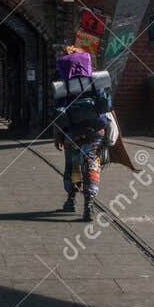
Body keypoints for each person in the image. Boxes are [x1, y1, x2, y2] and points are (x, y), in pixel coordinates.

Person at [50, 46, 110, 221]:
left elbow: (58, 111)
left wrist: (57, 134)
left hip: (72, 131)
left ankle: (71, 200)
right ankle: (89, 203)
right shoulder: (95, 78)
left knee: (73, 165)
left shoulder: (62, 83)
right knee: (92, 164)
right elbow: (104, 104)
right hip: (95, 129)